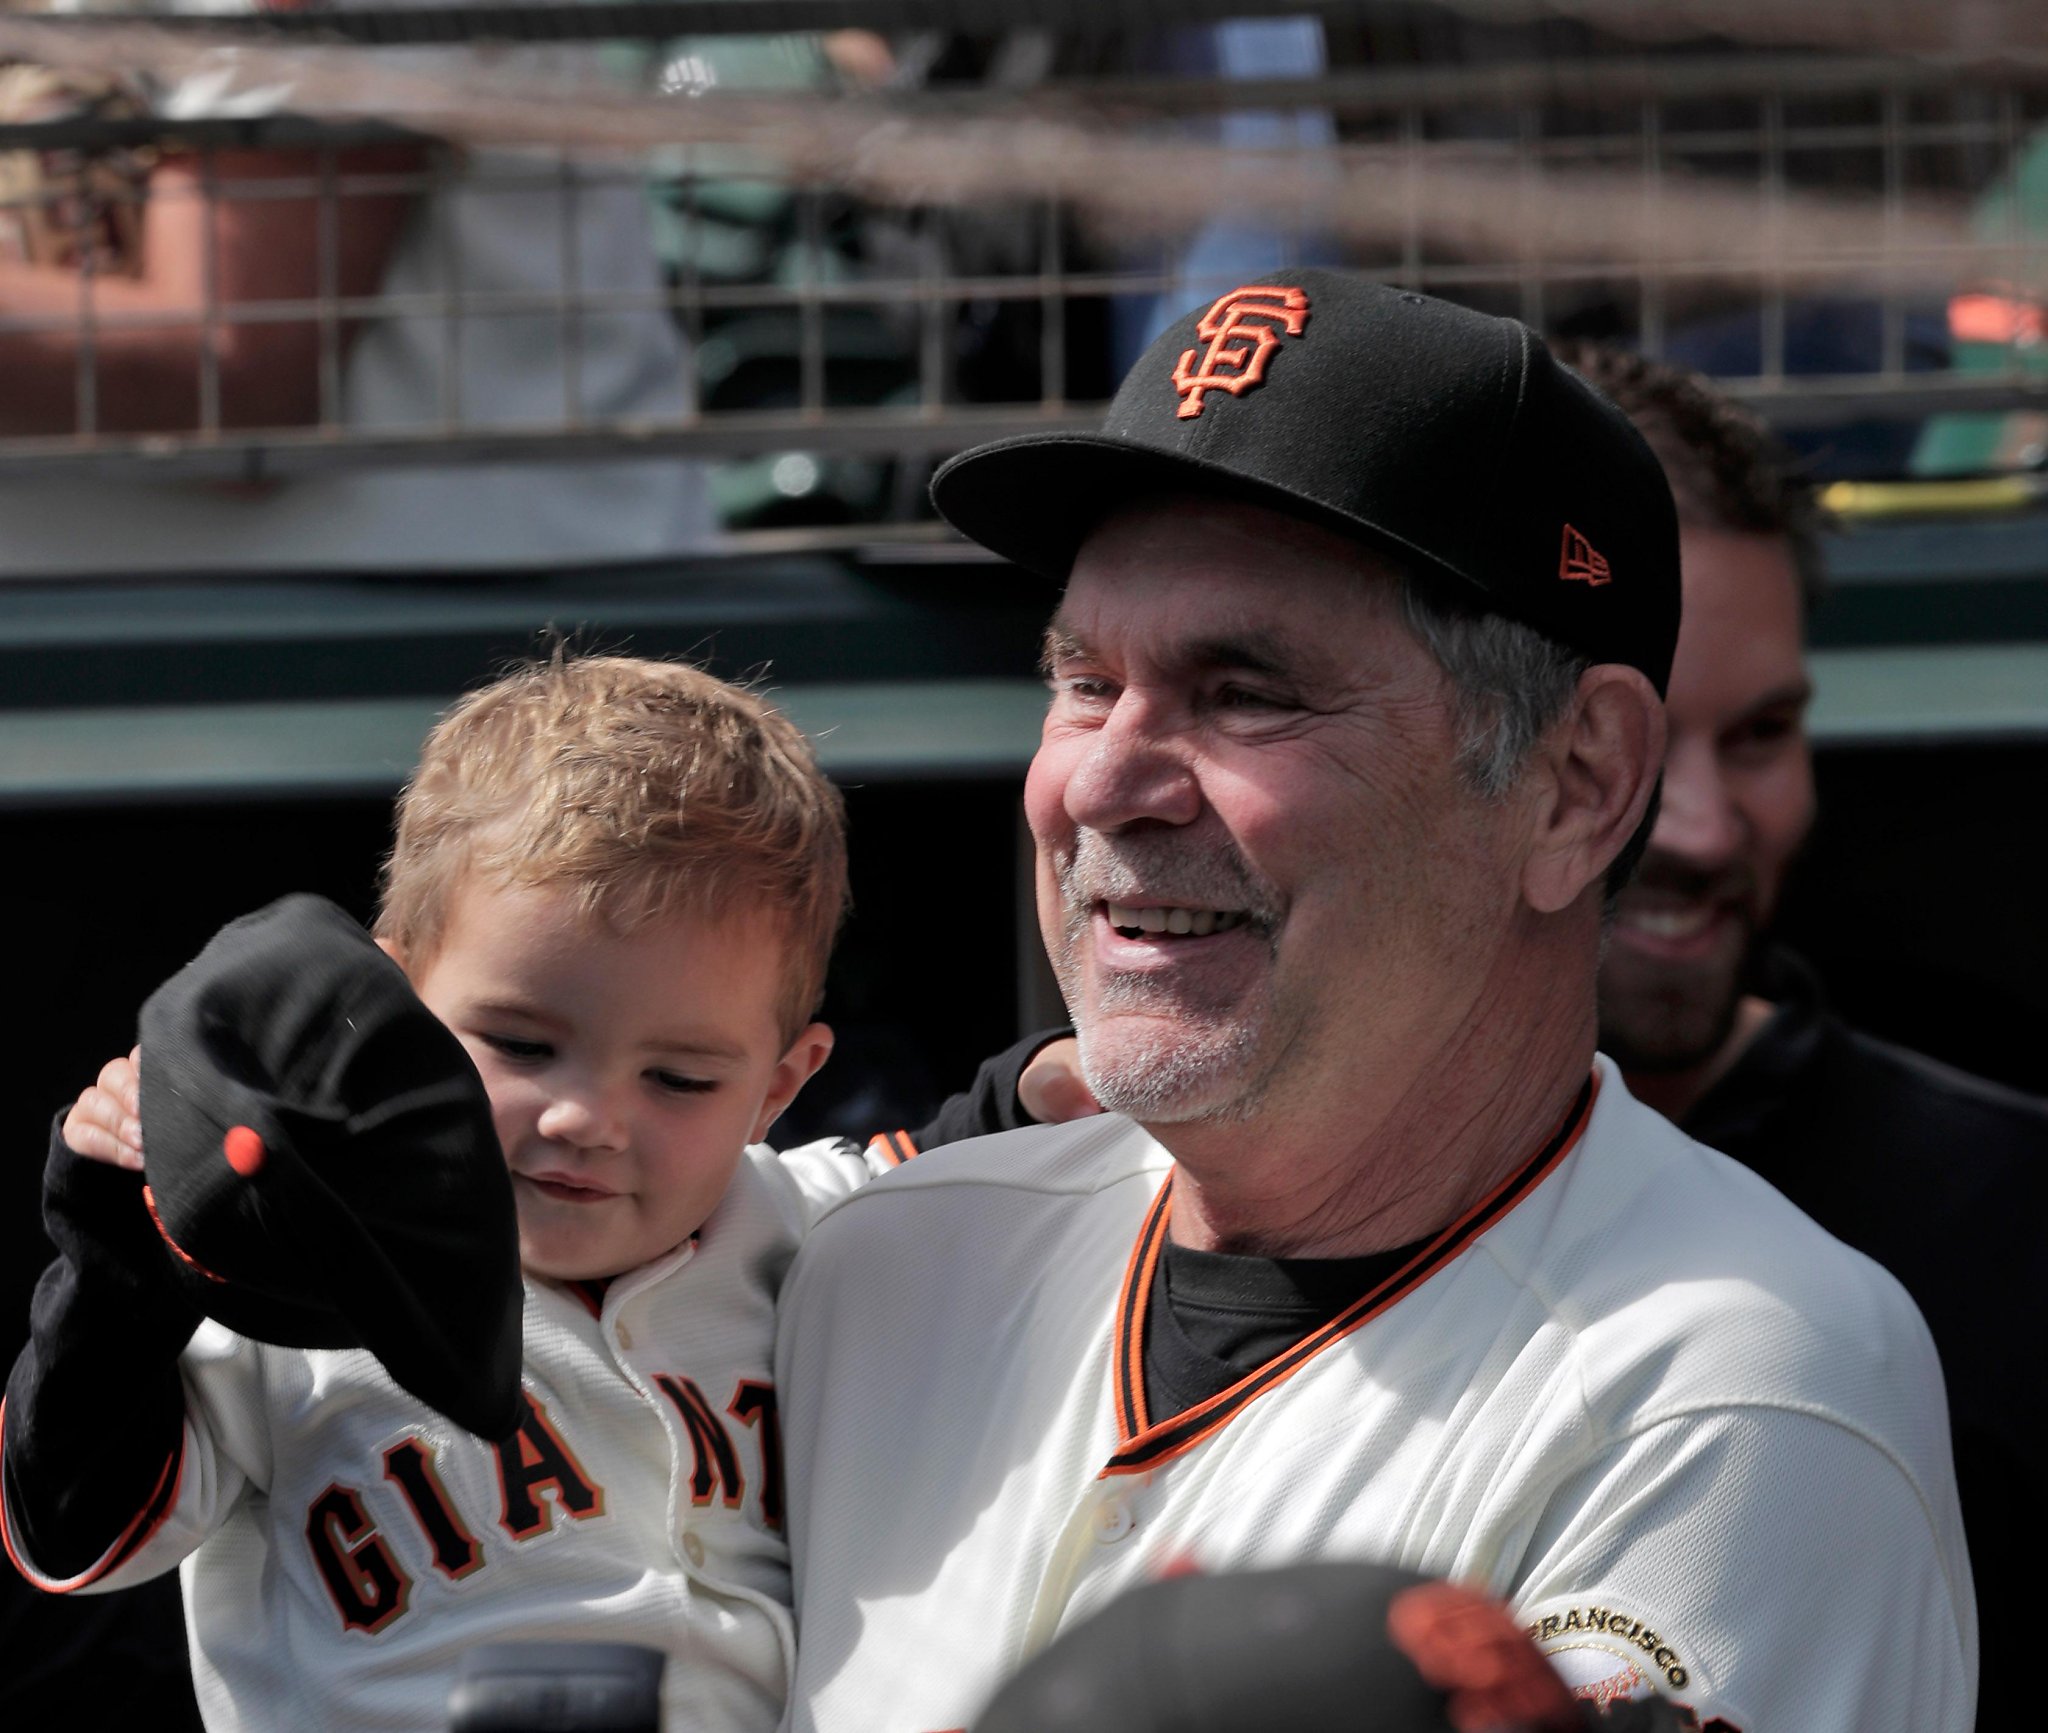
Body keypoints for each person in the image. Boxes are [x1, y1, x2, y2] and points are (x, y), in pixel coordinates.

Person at [773, 271, 1974, 1731]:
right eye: (1085, 681)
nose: (1100, 782)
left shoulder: (1735, 1387)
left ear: (1578, 786)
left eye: (1245, 693)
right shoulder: (872, 1263)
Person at [3, 655, 877, 1732]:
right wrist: (118, 1258)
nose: (582, 1118)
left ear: (777, 1084)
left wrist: (1025, 1083)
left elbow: (968, 1154)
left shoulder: (812, 1219)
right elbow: (77, 1532)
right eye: (519, 1042)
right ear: (388, 1008)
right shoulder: (294, 1269)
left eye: (678, 1077)